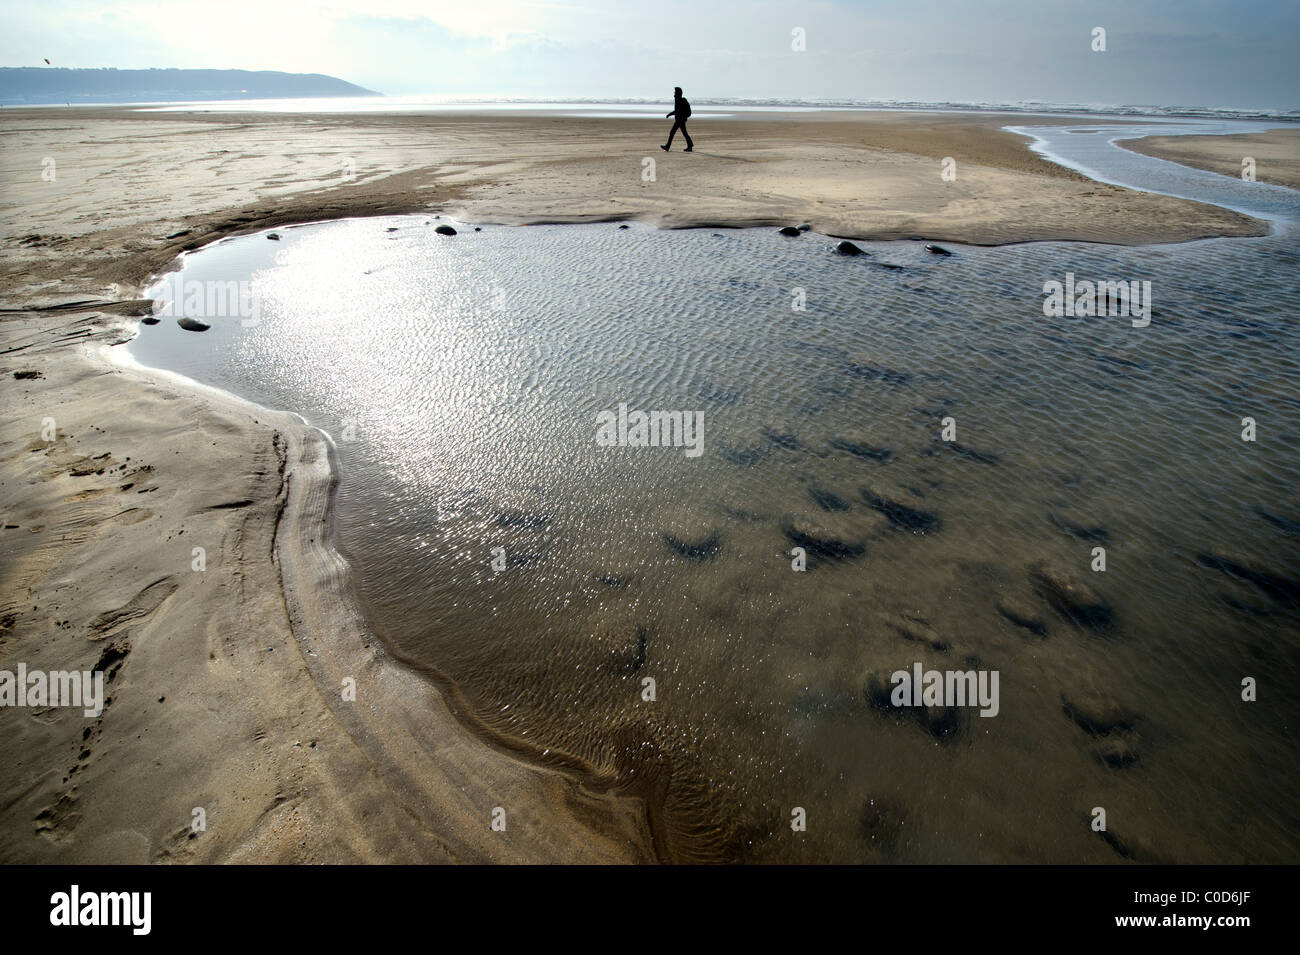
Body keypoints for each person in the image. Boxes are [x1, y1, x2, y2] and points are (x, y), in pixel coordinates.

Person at [661, 87, 693, 152]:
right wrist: (670, 114)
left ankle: (667, 146)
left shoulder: (680, 100)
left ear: (678, 93)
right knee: (684, 133)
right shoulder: (679, 100)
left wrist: (669, 114)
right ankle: (690, 146)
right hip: (681, 119)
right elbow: (677, 111)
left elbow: (677, 111)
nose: (674, 93)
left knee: (672, 132)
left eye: (675, 92)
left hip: (680, 120)